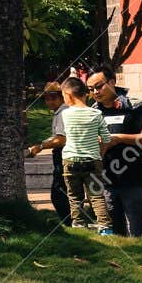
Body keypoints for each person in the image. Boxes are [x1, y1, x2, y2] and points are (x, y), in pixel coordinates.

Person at [87, 68, 142, 237]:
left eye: (99, 86)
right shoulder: (92, 112)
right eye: (90, 89)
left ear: (112, 82)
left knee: (141, 233)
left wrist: (118, 138)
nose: (95, 92)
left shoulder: (133, 107)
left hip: (133, 182)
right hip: (104, 183)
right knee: (114, 235)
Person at [57, 77, 112, 231]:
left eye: (63, 96)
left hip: (70, 160)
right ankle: (105, 227)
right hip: (92, 161)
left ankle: (79, 225)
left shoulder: (65, 114)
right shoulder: (96, 114)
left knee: (75, 197)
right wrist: (99, 154)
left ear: (68, 94)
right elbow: (106, 139)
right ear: (85, 94)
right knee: (96, 196)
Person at [26, 82, 71, 224]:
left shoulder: (63, 112)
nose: (49, 102)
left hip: (64, 155)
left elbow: (61, 139)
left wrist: (41, 147)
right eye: (47, 98)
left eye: (53, 98)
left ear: (61, 97)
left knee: (58, 194)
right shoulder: (59, 112)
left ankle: (69, 222)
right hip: (61, 155)